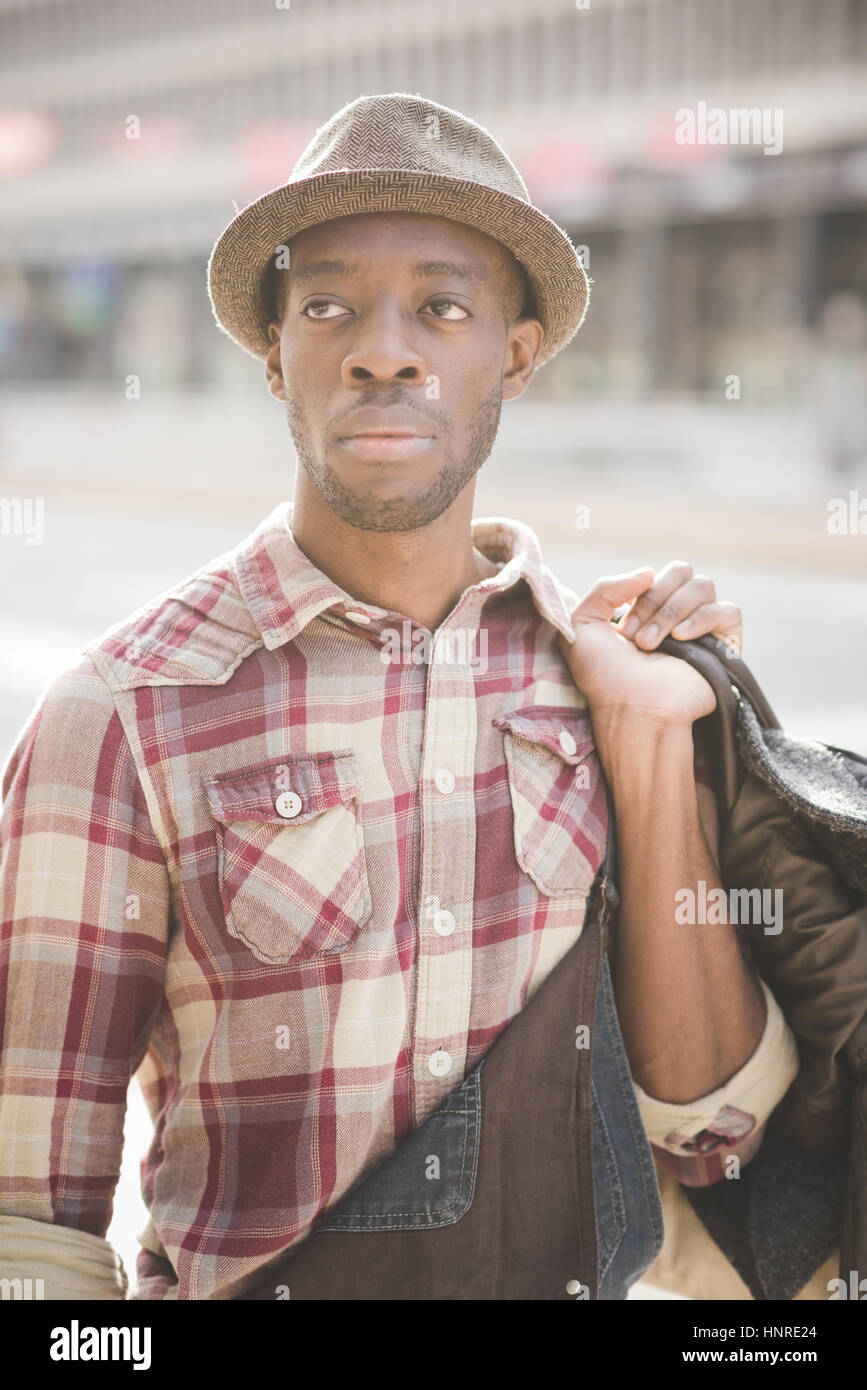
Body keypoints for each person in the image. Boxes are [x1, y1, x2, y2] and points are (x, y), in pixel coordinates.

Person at [0, 93, 800, 1301]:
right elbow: (30, 1231)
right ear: (275, 353)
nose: (384, 348)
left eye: (443, 305)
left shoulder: (608, 682)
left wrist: (643, 739)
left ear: (515, 355)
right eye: (327, 306)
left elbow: (710, 1132)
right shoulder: (117, 712)